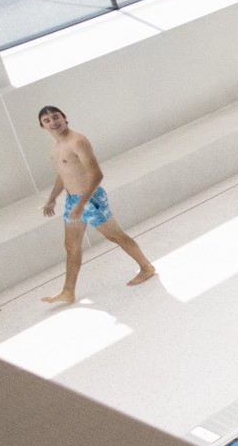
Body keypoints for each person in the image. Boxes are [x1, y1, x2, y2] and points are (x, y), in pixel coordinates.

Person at [36, 105, 155, 303]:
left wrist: (82, 204)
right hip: (72, 200)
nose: (53, 122)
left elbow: (97, 175)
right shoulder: (55, 147)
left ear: (65, 118)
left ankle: (146, 267)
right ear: (42, 126)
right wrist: (52, 199)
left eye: (56, 117)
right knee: (71, 245)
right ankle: (68, 291)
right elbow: (63, 174)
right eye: (47, 120)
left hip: (90, 199)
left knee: (116, 236)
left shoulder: (78, 141)